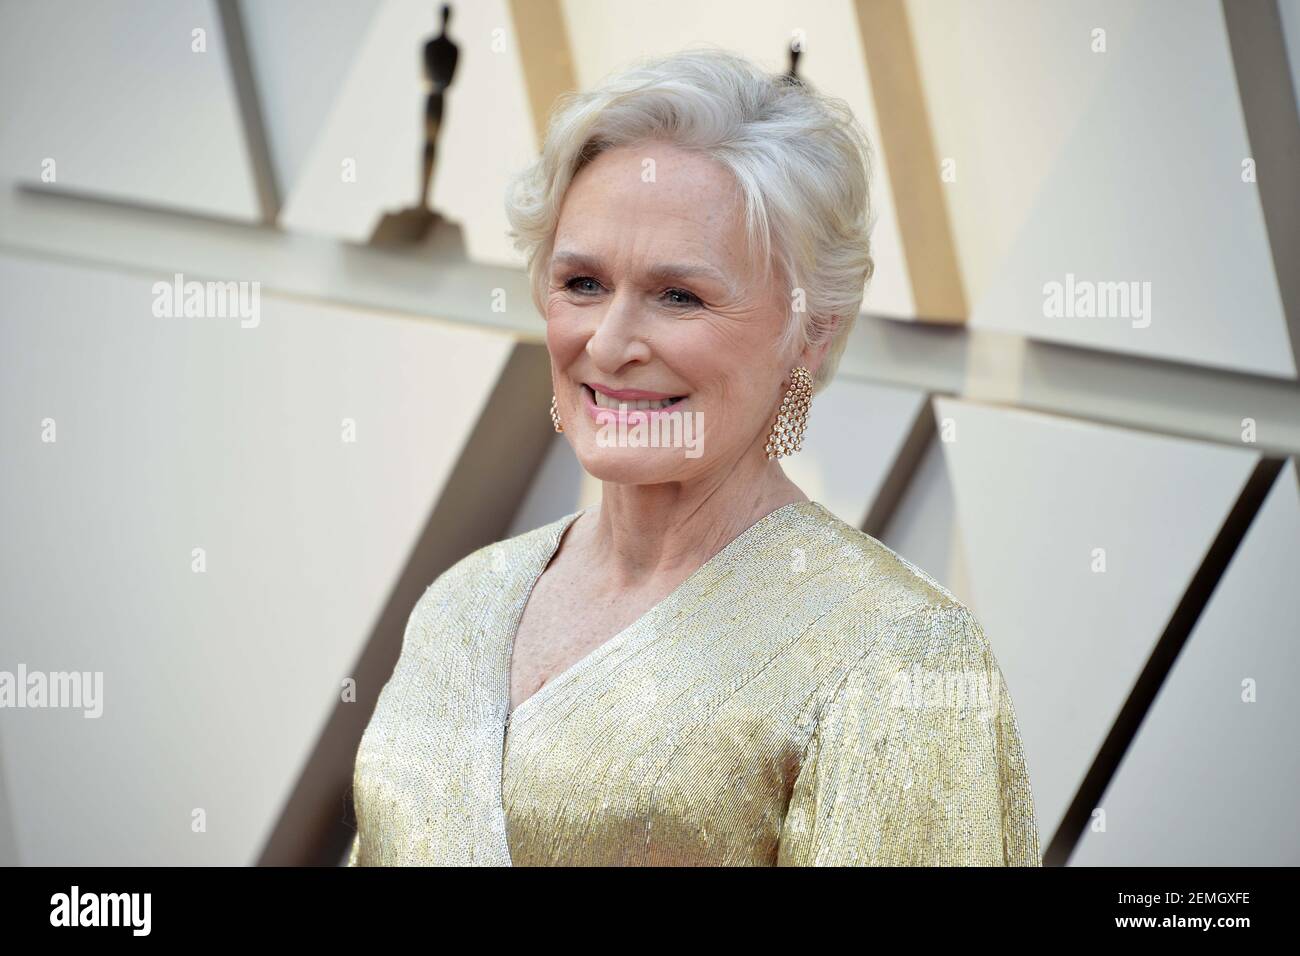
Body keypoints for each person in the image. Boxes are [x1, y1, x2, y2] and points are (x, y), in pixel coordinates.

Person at [347, 47, 1040, 866]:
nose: (608, 345)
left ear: (811, 334)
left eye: (680, 296)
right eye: (582, 284)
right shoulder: (464, 603)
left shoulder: (899, 654)